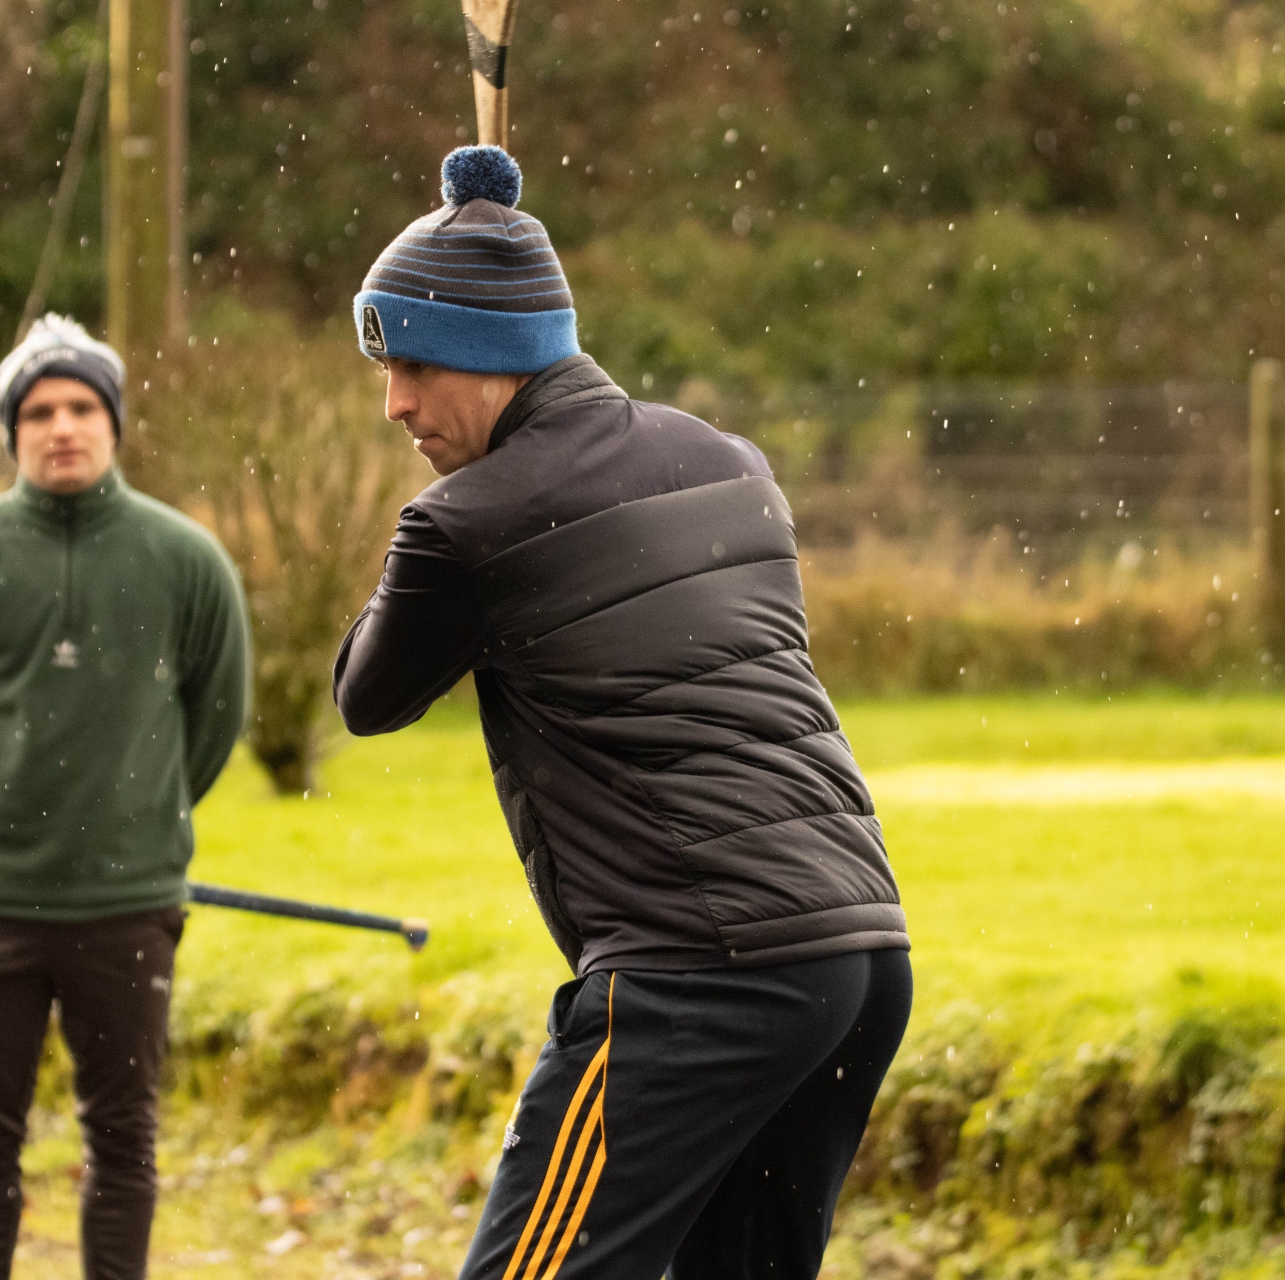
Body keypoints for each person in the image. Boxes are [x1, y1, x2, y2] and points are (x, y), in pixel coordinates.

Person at [333, 148, 913, 1280]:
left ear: (492, 352)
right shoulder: (728, 460)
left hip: (695, 970)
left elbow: (369, 692)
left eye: (410, 365)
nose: (395, 403)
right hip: (857, 957)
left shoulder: (467, 522)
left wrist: (435, 521)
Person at [0, 316, 251, 1280]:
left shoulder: (187, 561)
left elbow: (215, 720)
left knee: (124, 1143)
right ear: (13, 429)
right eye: (41, 410)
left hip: (127, 906)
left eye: (83, 407)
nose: (63, 426)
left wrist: (139, 811)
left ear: (114, 423)